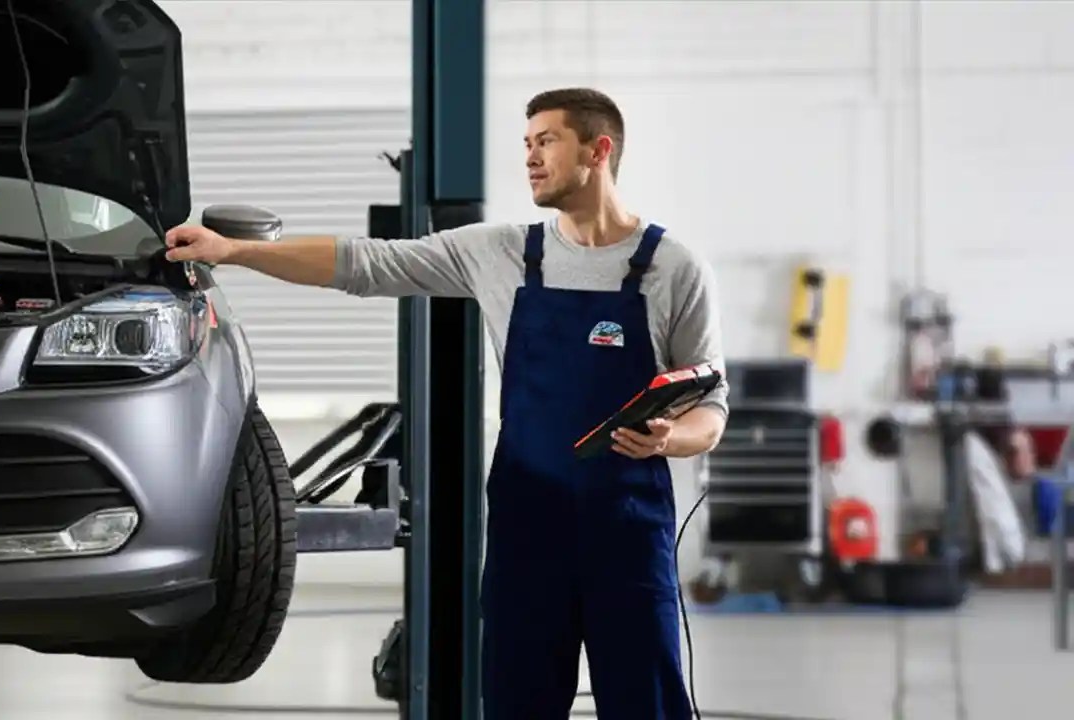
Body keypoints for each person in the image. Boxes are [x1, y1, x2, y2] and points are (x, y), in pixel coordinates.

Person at [165, 87, 729, 720]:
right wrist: (237, 251)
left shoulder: (674, 269)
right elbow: (367, 264)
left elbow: (710, 409)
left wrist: (670, 439)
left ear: (598, 150)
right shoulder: (504, 253)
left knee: (646, 703)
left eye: (547, 141)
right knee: (516, 703)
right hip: (527, 532)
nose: (531, 158)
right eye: (527, 144)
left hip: (628, 533)